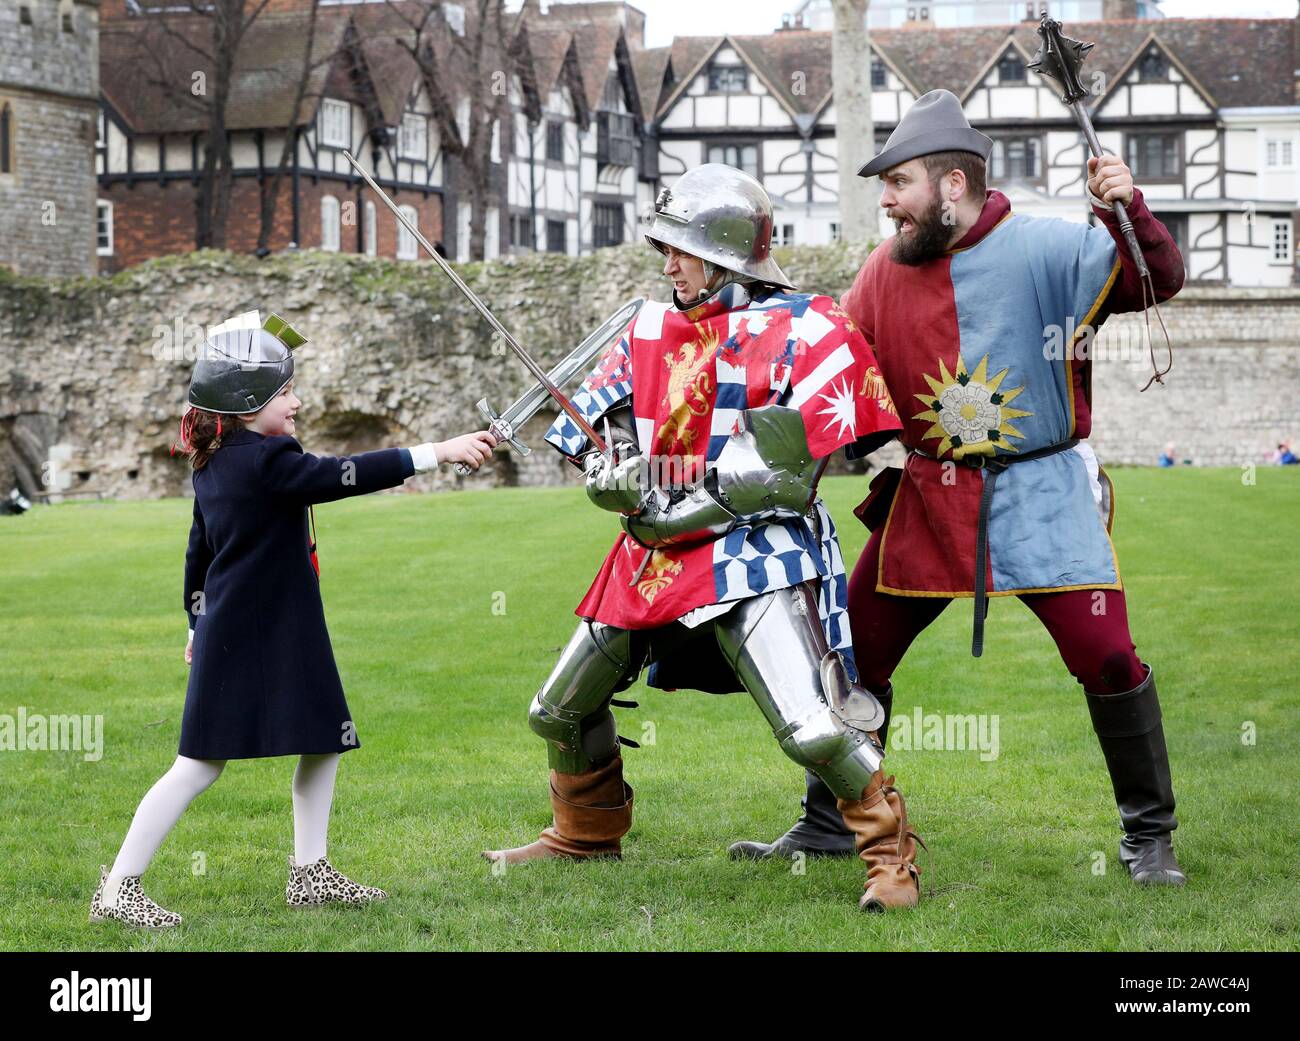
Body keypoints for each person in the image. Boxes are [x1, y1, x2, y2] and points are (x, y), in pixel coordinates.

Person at [729, 90, 1189, 888]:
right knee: (852, 653)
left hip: (1043, 488)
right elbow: (838, 368)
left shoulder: (1048, 247)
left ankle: (1149, 838)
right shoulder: (881, 272)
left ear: (950, 184)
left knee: (1108, 656)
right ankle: (829, 823)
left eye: (898, 182)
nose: (887, 201)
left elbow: (1159, 280)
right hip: (930, 495)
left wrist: (1130, 210)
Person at [482, 164, 925, 911]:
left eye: (680, 249)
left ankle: (891, 857)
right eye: (665, 249)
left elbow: (777, 472)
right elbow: (599, 438)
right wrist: (609, 475)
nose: (669, 264)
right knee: (554, 710)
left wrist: (669, 509)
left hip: (757, 549)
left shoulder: (808, 326)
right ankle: (585, 834)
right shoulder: (647, 327)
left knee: (814, 729)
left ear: (723, 251)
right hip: (649, 552)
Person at [89, 311, 495, 928]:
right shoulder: (265, 461)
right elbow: (339, 475)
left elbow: (198, 554)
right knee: (198, 765)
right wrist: (438, 452)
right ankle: (118, 888)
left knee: (322, 739)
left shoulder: (218, 460)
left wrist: (193, 624)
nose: (299, 402)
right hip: (248, 631)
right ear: (249, 403)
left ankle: (310, 874)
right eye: (286, 393)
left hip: (275, 626)